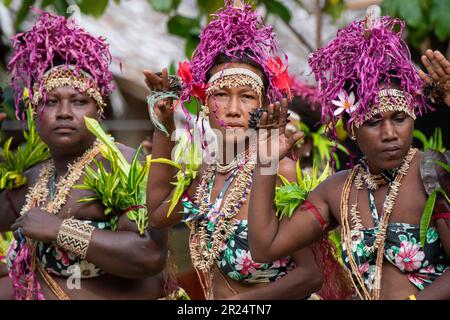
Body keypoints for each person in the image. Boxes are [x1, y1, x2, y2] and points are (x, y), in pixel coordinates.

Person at [247, 13, 450, 300]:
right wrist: (266, 163)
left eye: (400, 118)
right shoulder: (338, 191)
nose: (390, 133)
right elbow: (265, 248)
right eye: (373, 122)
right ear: (352, 128)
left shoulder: (434, 171)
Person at [145, 1, 324, 300]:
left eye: (246, 97)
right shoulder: (206, 174)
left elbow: (310, 275)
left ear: (262, 105)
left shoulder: (277, 170)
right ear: (205, 104)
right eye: (221, 95)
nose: (232, 109)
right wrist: (164, 125)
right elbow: (158, 214)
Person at [0, 12, 169, 300]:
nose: (64, 113)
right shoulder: (32, 179)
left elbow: (149, 255)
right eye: (51, 102)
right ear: (35, 115)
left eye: (79, 101)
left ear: (99, 111)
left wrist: (58, 229)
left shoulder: (124, 165)